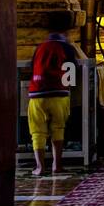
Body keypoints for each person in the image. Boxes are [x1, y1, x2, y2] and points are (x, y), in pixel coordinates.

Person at [27, 10, 79, 176]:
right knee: (58, 128)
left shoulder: (40, 47)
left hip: (37, 95)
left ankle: (40, 167)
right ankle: (57, 164)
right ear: (67, 30)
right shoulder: (67, 48)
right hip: (59, 95)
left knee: (37, 131)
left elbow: (31, 67)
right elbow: (71, 71)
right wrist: (69, 88)